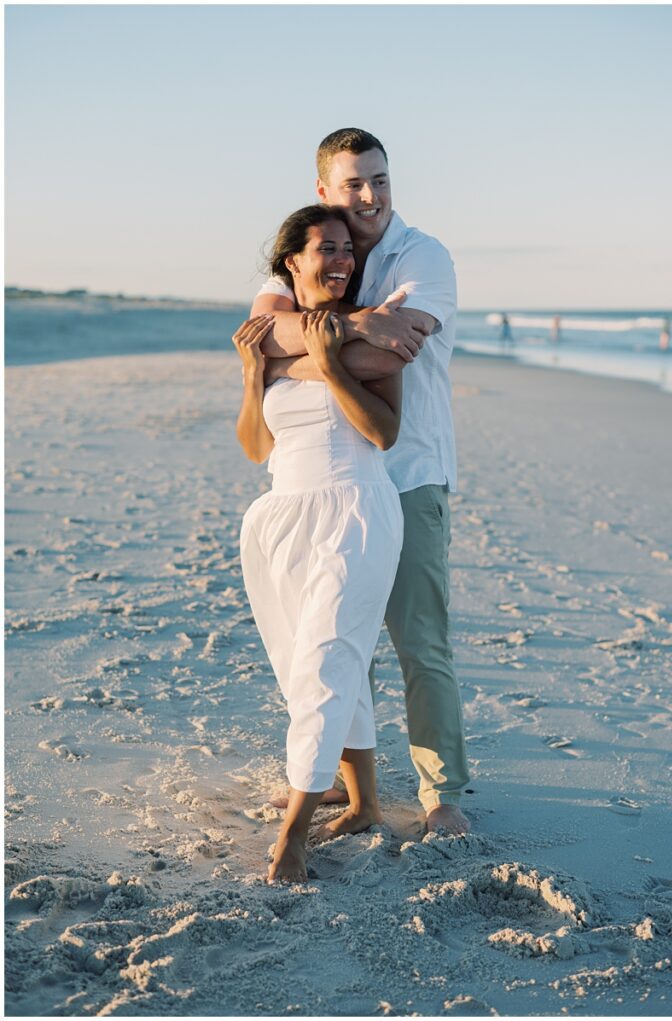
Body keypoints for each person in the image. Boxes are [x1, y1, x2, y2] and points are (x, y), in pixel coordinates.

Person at [251, 128, 471, 836]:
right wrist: (361, 325)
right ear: (325, 190)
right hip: (323, 483)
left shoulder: (423, 255)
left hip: (409, 473)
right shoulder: (312, 244)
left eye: (380, 179)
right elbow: (259, 332)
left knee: (420, 644)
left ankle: (441, 794)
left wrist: (315, 341)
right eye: (354, 184)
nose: (370, 196)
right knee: (333, 644)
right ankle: (345, 787)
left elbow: (402, 340)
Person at [233, 205, 405, 883]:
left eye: (346, 250)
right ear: (292, 261)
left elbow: (384, 434)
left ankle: (293, 839)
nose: (341, 260)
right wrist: (253, 378)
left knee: (326, 662)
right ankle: (364, 803)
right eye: (326, 249)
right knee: (311, 661)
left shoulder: (370, 330)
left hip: (357, 509)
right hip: (281, 518)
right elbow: (256, 447)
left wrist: (333, 367)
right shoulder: (272, 343)